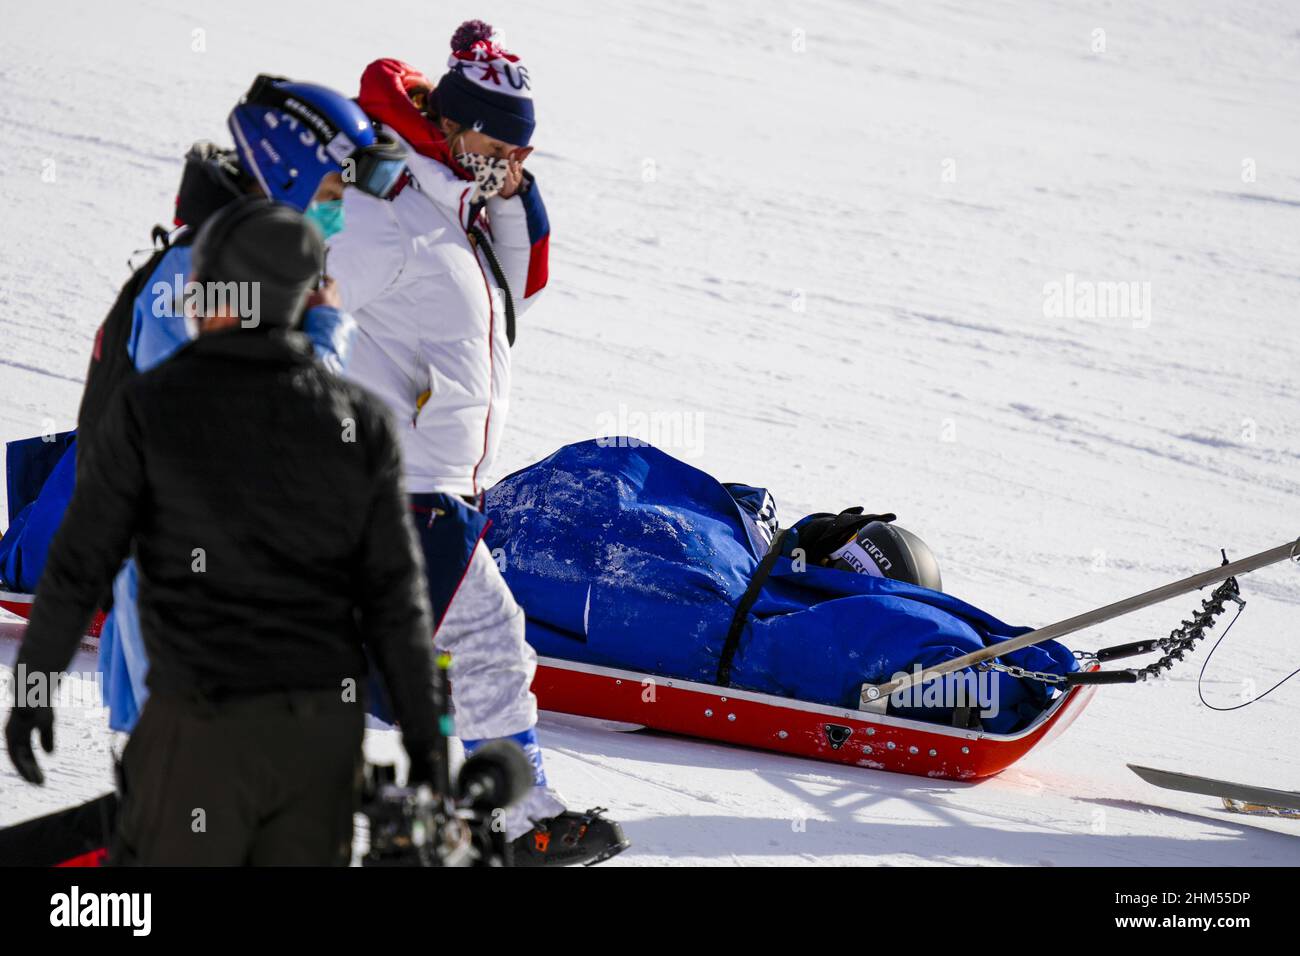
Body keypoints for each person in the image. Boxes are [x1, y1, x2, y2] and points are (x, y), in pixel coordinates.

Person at [4, 199, 442, 865]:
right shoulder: (360, 423)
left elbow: (77, 567)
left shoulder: (152, 406)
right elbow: (396, 601)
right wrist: (425, 743)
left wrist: (35, 691)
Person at [0, 74, 410, 734]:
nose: (337, 215)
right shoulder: (193, 277)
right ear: (289, 174)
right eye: (333, 194)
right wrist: (326, 334)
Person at [326, 22, 625, 867]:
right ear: (455, 122)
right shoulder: (386, 204)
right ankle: (518, 818)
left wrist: (502, 192)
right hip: (398, 481)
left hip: (439, 481)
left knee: (410, 662)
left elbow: (521, 287)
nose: (511, 157)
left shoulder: (456, 205)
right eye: (499, 138)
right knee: (490, 637)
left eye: (524, 148)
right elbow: (294, 294)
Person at [483, 438, 1078, 735]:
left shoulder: (747, 582)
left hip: (507, 531)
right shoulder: (742, 583)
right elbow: (855, 645)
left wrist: (984, 684)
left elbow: (859, 643)